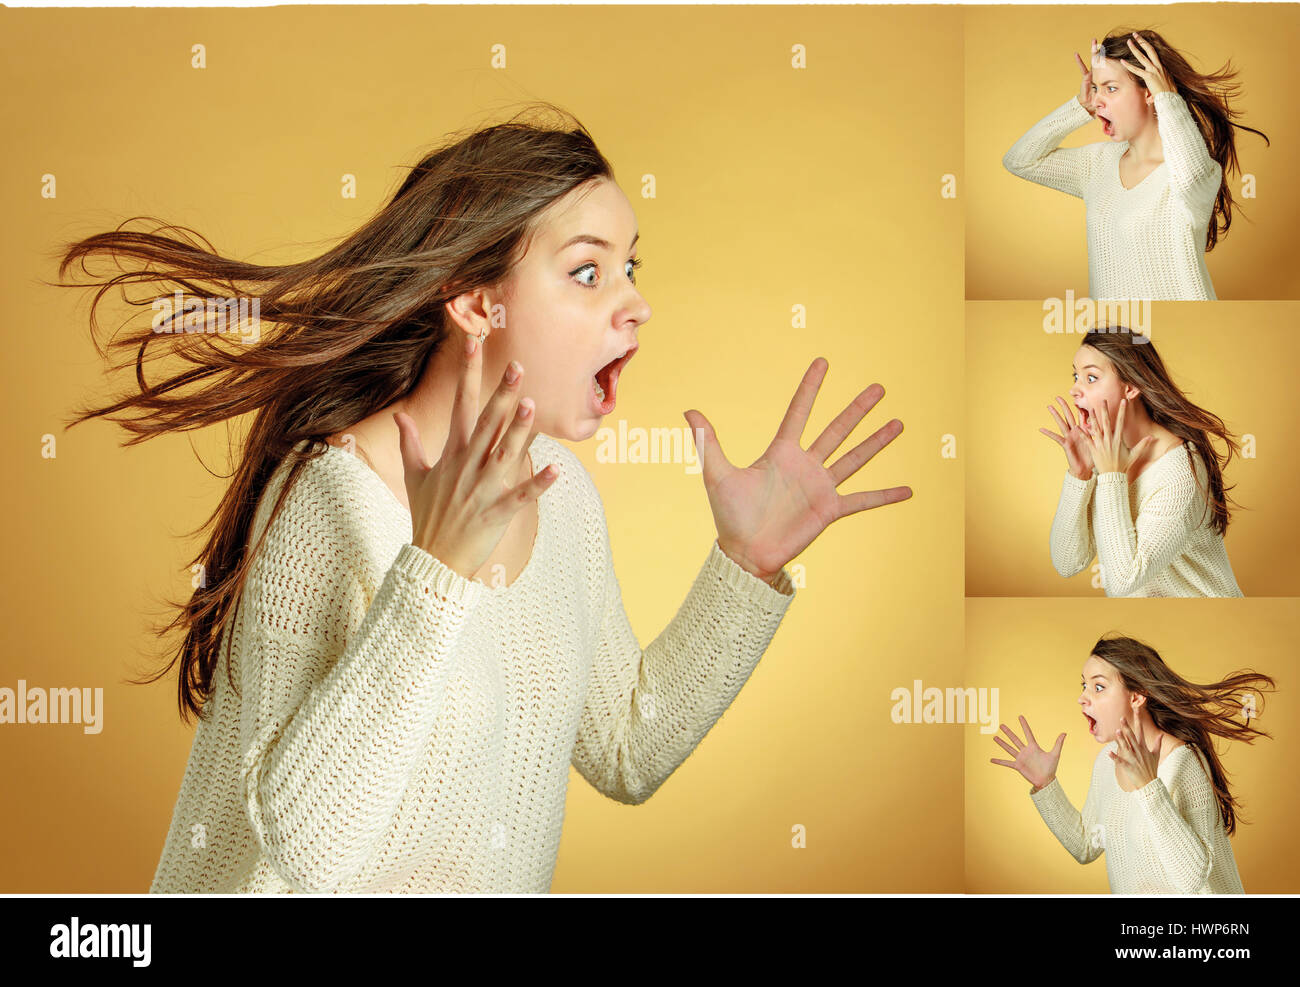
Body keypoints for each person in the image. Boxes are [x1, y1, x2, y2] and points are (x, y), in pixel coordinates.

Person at [58, 105, 913, 893]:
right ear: (474, 302)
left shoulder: (562, 493)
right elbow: (303, 849)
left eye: (630, 267)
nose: (637, 305)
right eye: (586, 271)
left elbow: (625, 748)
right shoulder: (332, 495)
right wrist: (434, 572)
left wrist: (744, 564)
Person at [991, 633, 1273, 893]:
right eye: (1084, 685)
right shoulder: (1106, 761)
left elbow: (1192, 879)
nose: (1082, 698)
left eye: (1099, 687)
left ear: (1137, 696)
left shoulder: (1182, 761)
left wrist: (1150, 787)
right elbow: (1086, 845)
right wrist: (1046, 784)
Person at [1002, 29, 1270, 300]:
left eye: (1111, 88)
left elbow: (1190, 178)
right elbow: (1020, 161)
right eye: (1096, 88)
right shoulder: (1097, 163)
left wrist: (1167, 97)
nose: (1098, 100)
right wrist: (1079, 107)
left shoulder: (1197, 171)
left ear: (1149, 92)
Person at [1040, 327, 1243, 597]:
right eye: (1076, 376)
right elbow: (1068, 562)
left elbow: (1123, 581)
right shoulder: (1106, 454)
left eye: (1091, 377)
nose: (1075, 389)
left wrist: (1112, 476)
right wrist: (1080, 475)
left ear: (1131, 387)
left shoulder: (1179, 471)